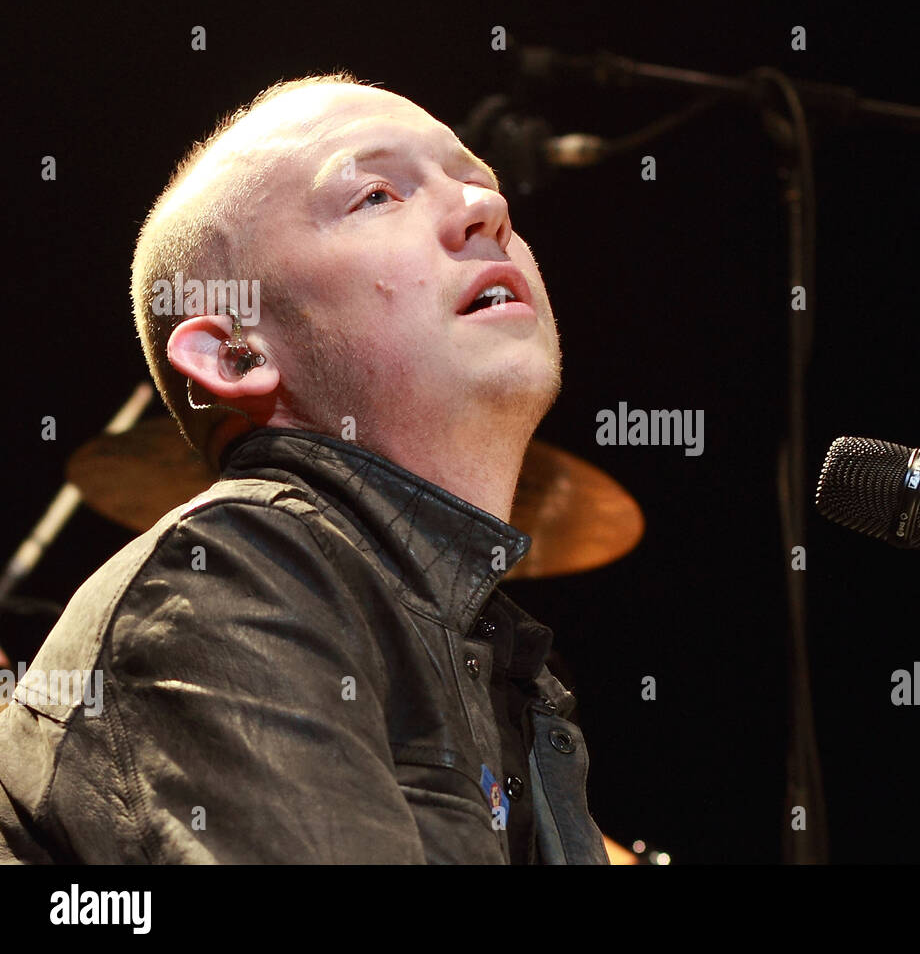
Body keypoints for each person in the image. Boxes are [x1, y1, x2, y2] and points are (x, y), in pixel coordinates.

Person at [0, 73, 609, 864]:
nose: (483, 209)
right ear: (235, 353)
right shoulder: (232, 569)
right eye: (378, 196)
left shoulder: (511, 669)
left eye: (477, 182)